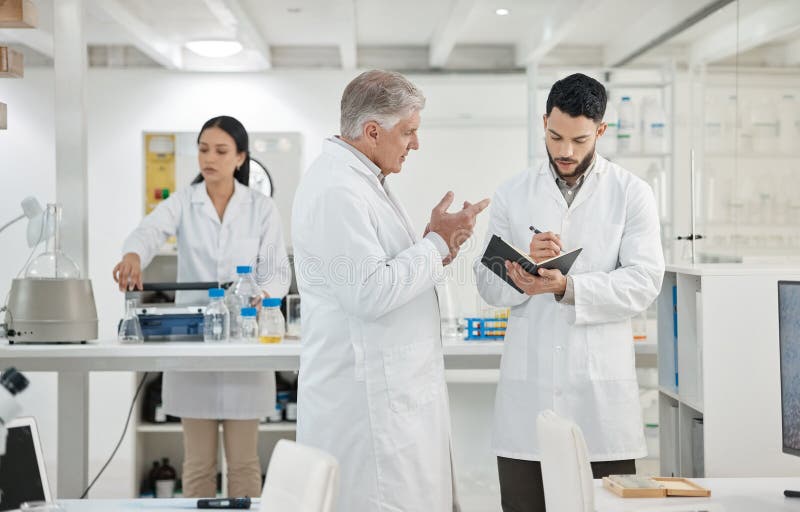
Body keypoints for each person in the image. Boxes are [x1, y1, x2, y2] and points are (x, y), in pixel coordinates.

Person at [291, 70, 489, 512]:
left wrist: (437, 249)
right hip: (367, 409)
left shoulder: (363, 181)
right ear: (373, 131)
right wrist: (434, 244)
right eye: (408, 132)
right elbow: (368, 292)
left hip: (389, 397)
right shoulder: (337, 189)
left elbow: (382, 271)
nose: (415, 144)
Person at [474, 73, 665, 512]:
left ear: (601, 130)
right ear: (544, 122)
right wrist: (521, 269)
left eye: (580, 140)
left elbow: (644, 281)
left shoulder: (631, 193)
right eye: (556, 136)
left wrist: (568, 287)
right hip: (528, 402)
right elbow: (486, 284)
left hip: (601, 406)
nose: (566, 151)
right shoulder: (512, 193)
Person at [113, 116, 291, 498]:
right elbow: (149, 232)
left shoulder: (261, 207)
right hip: (194, 345)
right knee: (197, 466)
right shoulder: (184, 202)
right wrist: (132, 255)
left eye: (221, 151)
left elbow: (277, 268)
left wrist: (265, 293)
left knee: (244, 465)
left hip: (244, 344)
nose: (209, 158)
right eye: (204, 149)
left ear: (240, 158)